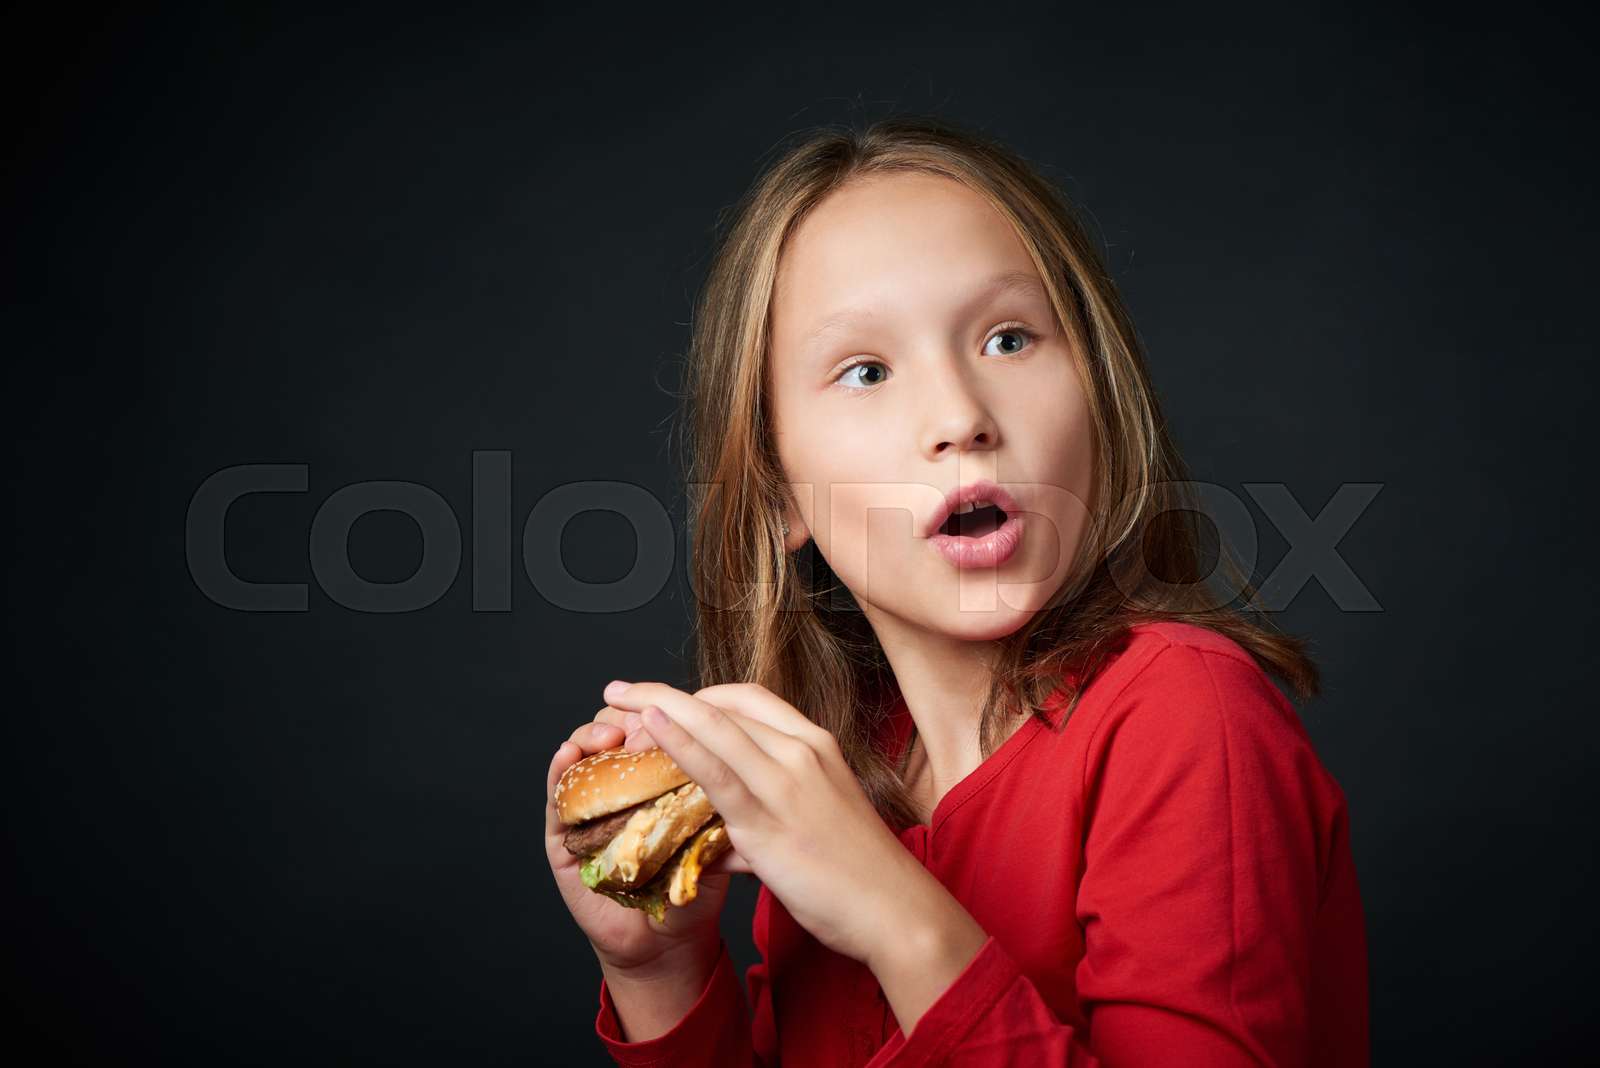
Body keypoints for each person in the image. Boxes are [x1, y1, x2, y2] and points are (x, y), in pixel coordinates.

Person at [543, 114, 1369, 1066]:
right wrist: (660, 976)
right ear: (777, 497)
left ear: (1100, 397)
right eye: (866, 371)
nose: (960, 416)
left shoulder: (1186, 713)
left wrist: (894, 914)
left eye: (1009, 340)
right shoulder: (847, 773)